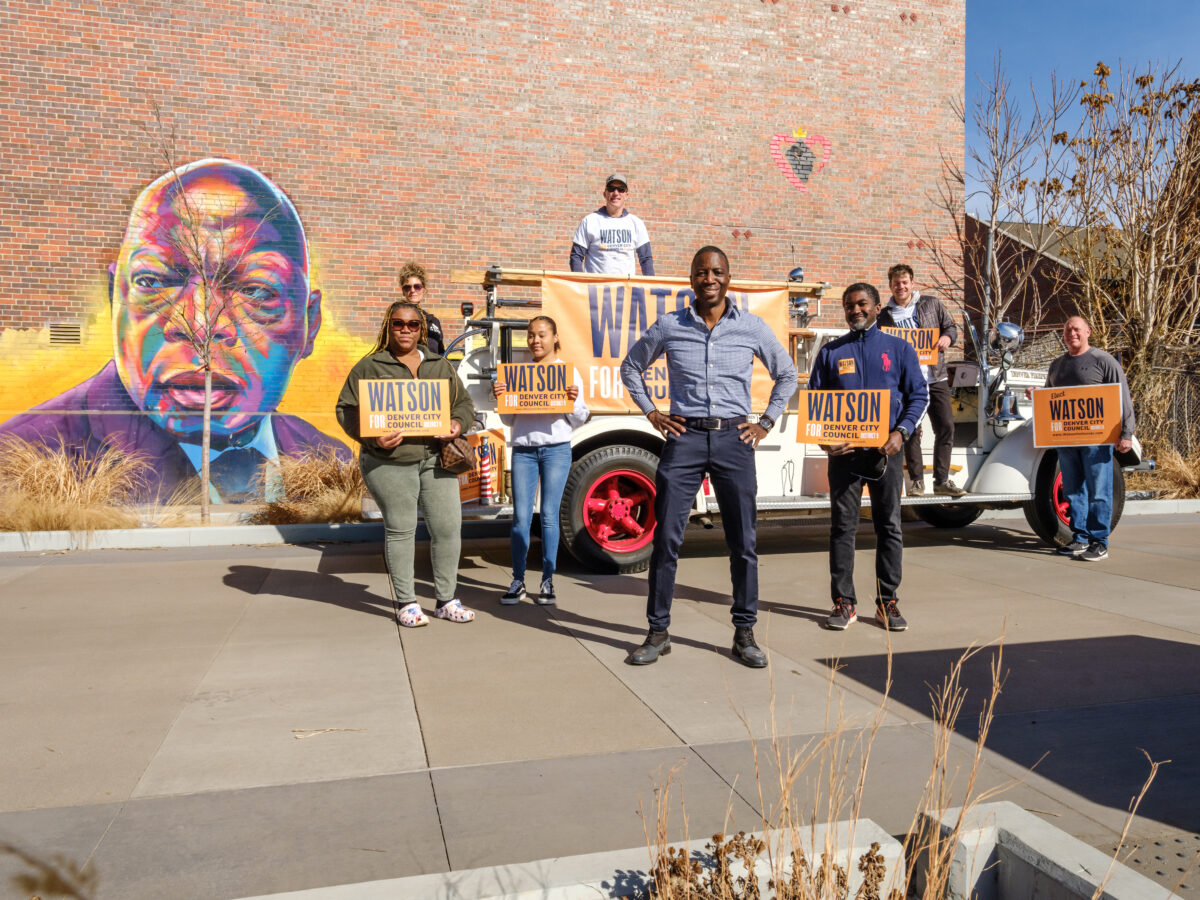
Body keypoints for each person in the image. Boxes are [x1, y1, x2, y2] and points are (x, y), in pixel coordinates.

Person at [0, 158, 350, 502]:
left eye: (256, 290)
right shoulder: (16, 460)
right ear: (115, 300)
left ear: (310, 324)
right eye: (154, 281)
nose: (200, 325)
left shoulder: (334, 459)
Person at [620, 246, 797, 667]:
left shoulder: (751, 328)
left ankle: (745, 633)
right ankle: (658, 632)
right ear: (692, 279)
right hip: (684, 440)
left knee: (743, 542)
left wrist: (766, 422)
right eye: (702, 272)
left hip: (735, 440)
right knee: (666, 539)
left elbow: (786, 374)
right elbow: (631, 367)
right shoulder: (669, 326)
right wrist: (652, 413)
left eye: (717, 271)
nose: (710, 278)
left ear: (729, 277)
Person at [336, 301, 477, 626]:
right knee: (401, 530)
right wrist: (371, 437)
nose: (405, 329)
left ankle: (446, 600)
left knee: (448, 529)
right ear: (389, 326)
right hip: (390, 461)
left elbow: (464, 404)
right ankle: (407, 603)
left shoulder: (439, 366)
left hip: (437, 458)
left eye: (413, 325)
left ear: (421, 329)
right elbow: (345, 409)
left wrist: (457, 424)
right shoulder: (370, 366)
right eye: (399, 324)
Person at [809, 282, 929, 632]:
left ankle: (887, 601)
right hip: (844, 456)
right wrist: (825, 443)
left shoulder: (899, 348)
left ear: (878, 308)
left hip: (885, 453)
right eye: (849, 306)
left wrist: (901, 433)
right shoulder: (831, 353)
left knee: (889, 526)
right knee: (842, 528)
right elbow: (816, 405)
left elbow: (917, 397)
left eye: (862, 304)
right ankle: (843, 602)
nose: (855, 310)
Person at [493, 316, 590, 605]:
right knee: (520, 518)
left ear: (555, 338)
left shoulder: (568, 375)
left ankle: (548, 579)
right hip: (523, 450)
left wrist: (572, 401)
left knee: (549, 516)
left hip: (557, 449)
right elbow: (509, 419)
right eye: (531, 335)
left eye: (542, 335)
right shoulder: (517, 375)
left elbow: (578, 419)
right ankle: (518, 579)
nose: (536, 341)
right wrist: (501, 397)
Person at [1029, 316, 1135, 562]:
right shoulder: (1056, 365)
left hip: (1097, 441)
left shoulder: (1104, 361)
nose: (1071, 333)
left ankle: (1100, 542)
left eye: (1076, 329)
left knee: (1100, 491)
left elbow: (1122, 398)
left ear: (1088, 331)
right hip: (1066, 441)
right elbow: (1050, 397)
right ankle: (1080, 538)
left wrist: (1126, 434)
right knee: (1074, 490)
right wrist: (1037, 394)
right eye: (1067, 330)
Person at [876, 263, 963, 497]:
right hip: (906, 382)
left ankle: (942, 480)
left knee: (945, 426)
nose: (900, 286)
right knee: (911, 430)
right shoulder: (885, 315)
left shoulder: (931, 304)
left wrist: (946, 337)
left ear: (912, 284)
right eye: (896, 283)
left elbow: (951, 328)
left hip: (935, 376)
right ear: (891, 285)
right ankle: (916, 481)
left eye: (904, 282)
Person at [569, 173, 655, 276]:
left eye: (621, 189)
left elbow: (646, 259)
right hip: (596, 290)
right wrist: (581, 284)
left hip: (625, 290)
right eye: (611, 189)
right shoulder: (590, 221)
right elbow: (576, 256)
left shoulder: (636, 223)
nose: (616, 193)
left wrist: (650, 286)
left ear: (627, 195)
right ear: (605, 194)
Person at [398, 262, 446, 356]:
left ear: (424, 290)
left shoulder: (434, 322)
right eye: (407, 287)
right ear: (403, 292)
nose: (412, 290)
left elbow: (441, 353)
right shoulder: (397, 318)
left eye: (417, 287)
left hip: (432, 368)